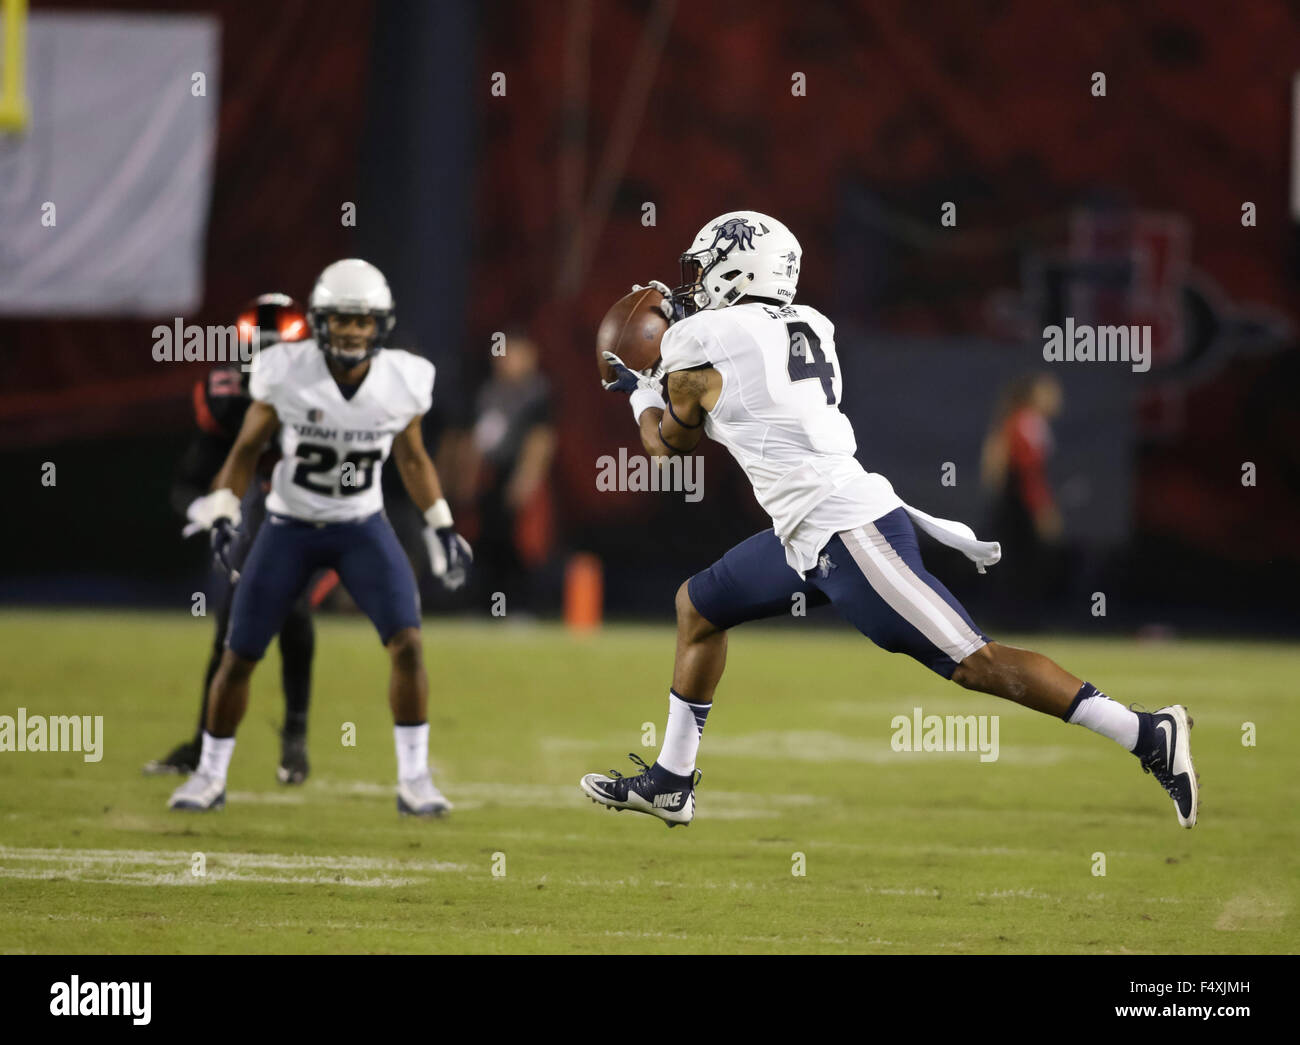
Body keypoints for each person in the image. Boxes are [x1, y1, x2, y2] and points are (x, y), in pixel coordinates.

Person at [582, 211, 1198, 829]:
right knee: (699, 606)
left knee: (973, 661)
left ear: (741, 266)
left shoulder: (702, 339)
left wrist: (641, 392)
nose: (695, 284)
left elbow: (670, 448)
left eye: (706, 266)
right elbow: (738, 391)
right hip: (807, 532)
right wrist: (669, 382)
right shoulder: (811, 325)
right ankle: (671, 781)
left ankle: (1145, 732)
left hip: (848, 532)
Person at [168, 259, 472, 816]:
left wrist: (442, 523)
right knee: (238, 655)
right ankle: (208, 776)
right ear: (320, 322)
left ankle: (415, 780)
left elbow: (412, 456)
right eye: (341, 320)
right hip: (288, 528)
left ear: (379, 324)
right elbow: (245, 451)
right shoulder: (285, 369)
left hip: (361, 526)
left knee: (407, 642)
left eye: (362, 321)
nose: (352, 331)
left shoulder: (402, 377)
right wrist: (225, 509)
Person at [144, 294, 325, 783]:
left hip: (311, 508)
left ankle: (293, 740)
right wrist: (205, 507)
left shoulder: (325, 395)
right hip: (254, 509)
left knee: (293, 615)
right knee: (232, 627)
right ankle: (208, 744)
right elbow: (189, 481)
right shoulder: (226, 400)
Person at [980, 373, 1064, 626]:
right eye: (1048, 392)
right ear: (1034, 396)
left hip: (1014, 502)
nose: (1056, 398)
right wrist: (1042, 509)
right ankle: (1017, 621)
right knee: (1020, 564)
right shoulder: (1025, 422)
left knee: (1016, 563)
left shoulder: (1020, 421)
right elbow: (1028, 472)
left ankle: (1014, 619)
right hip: (1018, 504)